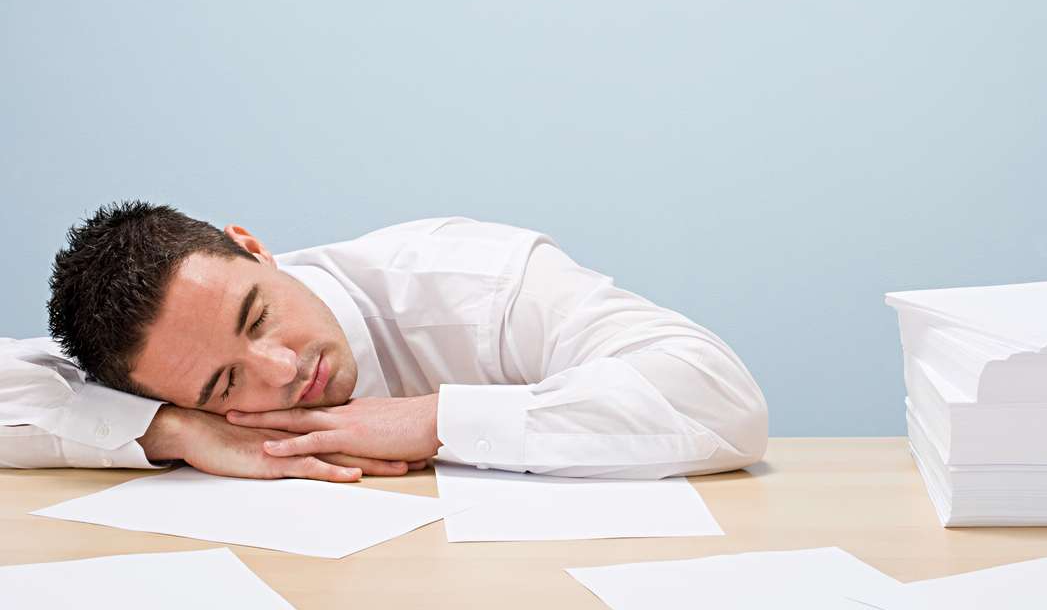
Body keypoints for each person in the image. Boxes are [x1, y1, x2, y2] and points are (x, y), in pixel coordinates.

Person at [0, 202, 767, 483]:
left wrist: (436, 419)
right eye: (224, 387)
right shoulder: (161, 371)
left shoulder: (468, 276)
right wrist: (176, 433)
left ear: (254, 247)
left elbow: (719, 397)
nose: (280, 370)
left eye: (258, 317)